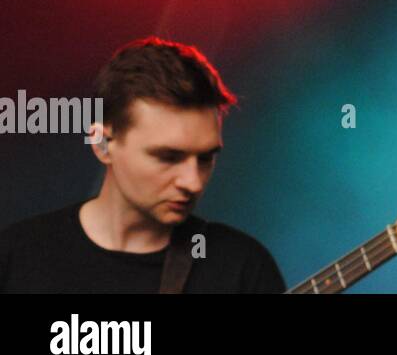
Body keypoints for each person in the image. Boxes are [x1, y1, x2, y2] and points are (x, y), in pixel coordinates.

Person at [0, 37, 284, 293]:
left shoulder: (243, 269)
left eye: (205, 158)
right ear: (102, 144)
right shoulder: (17, 257)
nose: (193, 182)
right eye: (168, 157)